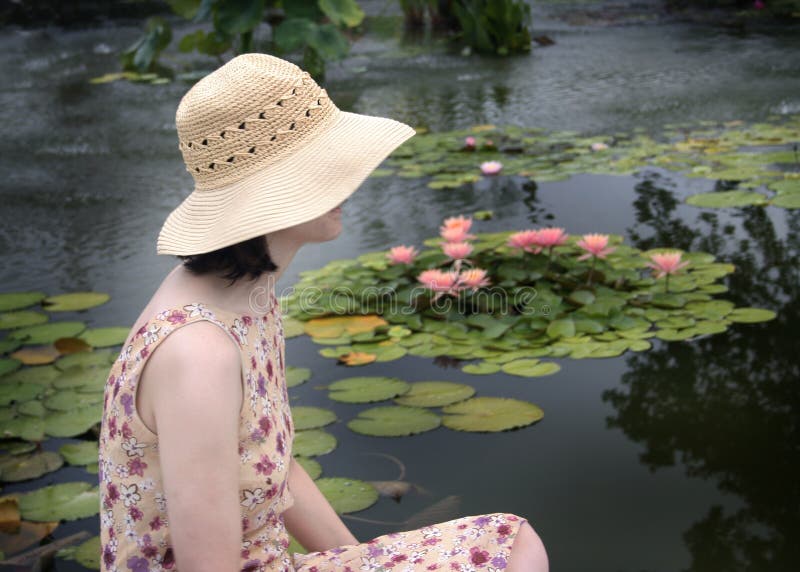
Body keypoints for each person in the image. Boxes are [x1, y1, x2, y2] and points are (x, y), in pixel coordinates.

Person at [98, 53, 548, 572]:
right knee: (514, 552)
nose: (348, 180)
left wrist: (359, 560)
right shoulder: (198, 352)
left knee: (511, 545)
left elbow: (273, 465)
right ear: (268, 194)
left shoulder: (244, 295)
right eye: (321, 165)